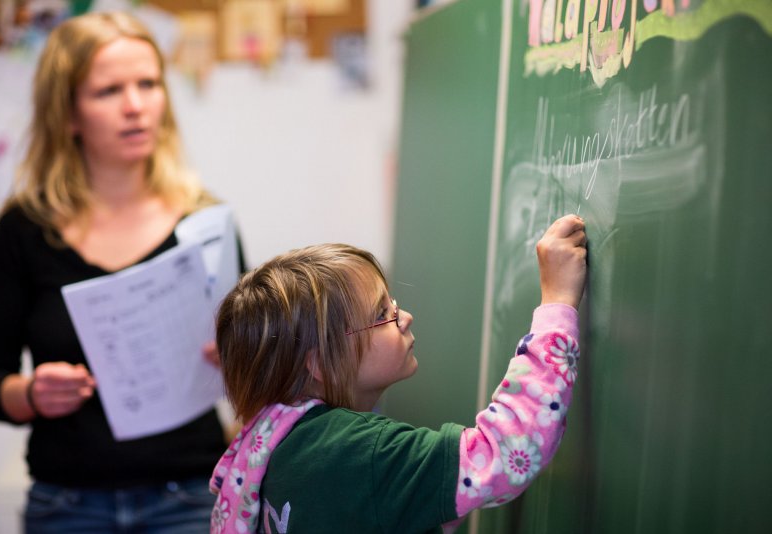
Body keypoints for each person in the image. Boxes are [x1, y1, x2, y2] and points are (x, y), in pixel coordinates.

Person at [0, 11, 245, 533]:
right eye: (109, 91)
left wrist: (240, 362)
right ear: (68, 113)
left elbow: (262, 370)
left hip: (191, 496)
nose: (135, 106)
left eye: (149, 84)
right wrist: (30, 394)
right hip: (67, 505)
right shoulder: (23, 230)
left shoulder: (207, 223)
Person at [209, 214, 587, 533]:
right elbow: (505, 453)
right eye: (381, 314)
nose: (404, 317)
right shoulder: (356, 452)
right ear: (319, 364)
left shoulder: (274, 444)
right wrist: (557, 303)